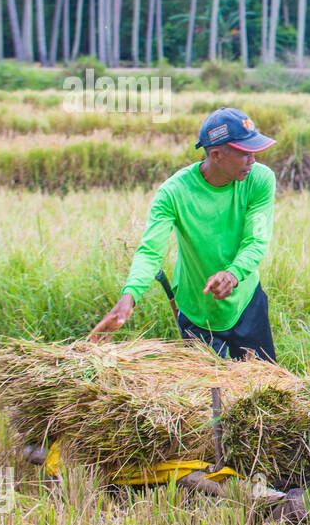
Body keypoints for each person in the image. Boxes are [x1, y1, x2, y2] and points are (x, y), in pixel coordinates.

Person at [90, 107, 279, 362]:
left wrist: (232, 275)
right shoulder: (173, 193)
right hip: (197, 310)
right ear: (216, 154)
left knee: (265, 385)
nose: (252, 160)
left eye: (253, 151)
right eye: (244, 153)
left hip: (247, 302)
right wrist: (129, 296)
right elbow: (150, 251)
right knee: (208, 391)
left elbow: (256, 239)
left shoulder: (259, 179)